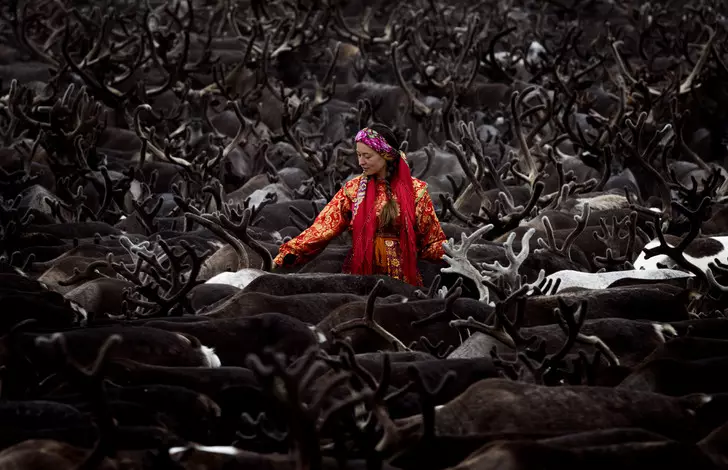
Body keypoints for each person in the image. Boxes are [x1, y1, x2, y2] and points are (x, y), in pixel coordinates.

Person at [272, 124, 447, 287]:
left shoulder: (416, 191)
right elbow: (323, 228)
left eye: (367, 156)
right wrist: (290, 252)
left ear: (385, 155)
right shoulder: (352, 190)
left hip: (403, 280)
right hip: (359, 276)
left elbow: (432, 241)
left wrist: (454, 256)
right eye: (359, 155)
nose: (360, 162)